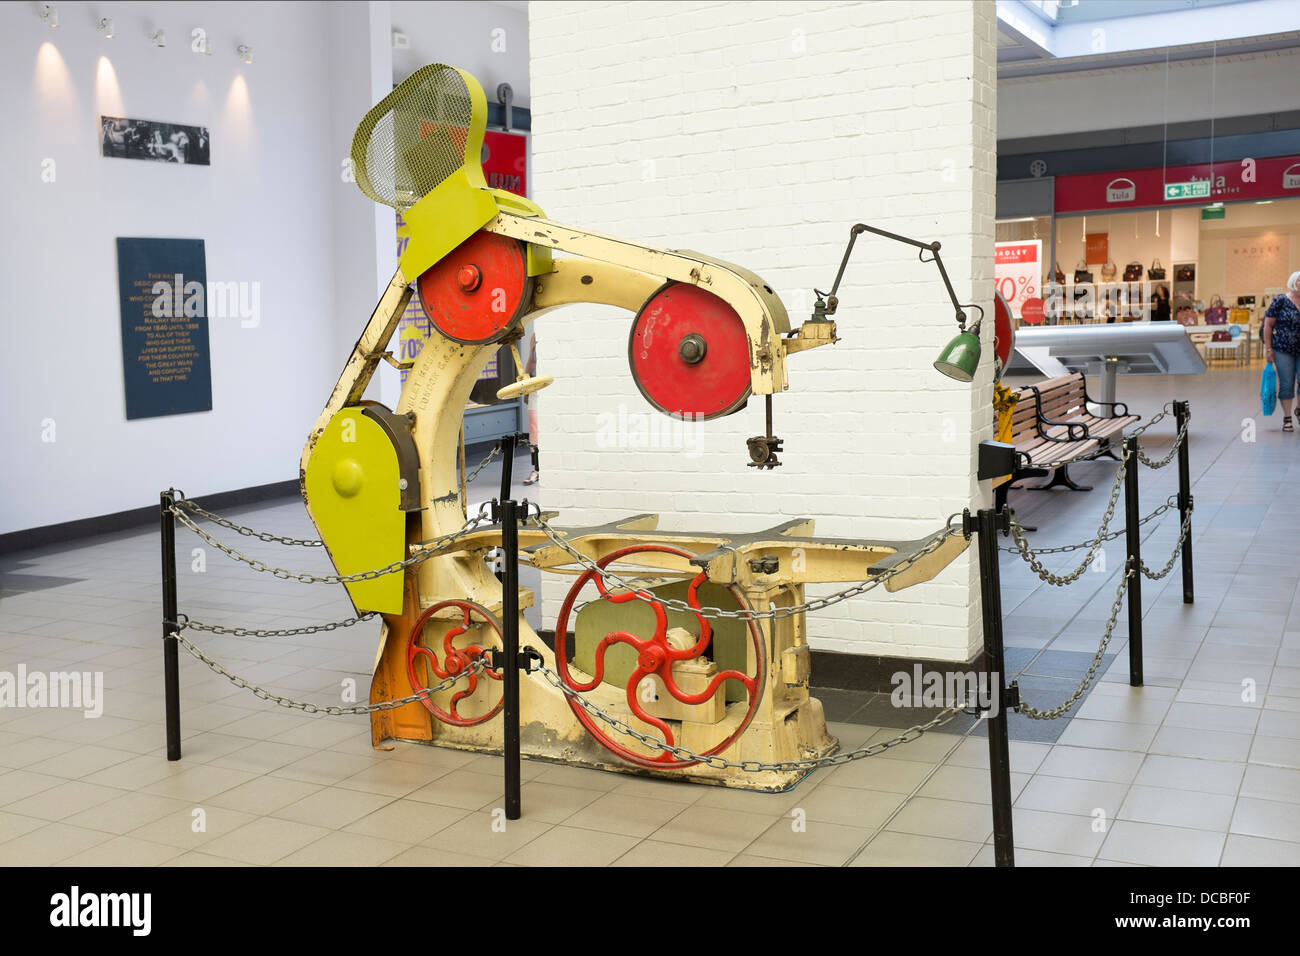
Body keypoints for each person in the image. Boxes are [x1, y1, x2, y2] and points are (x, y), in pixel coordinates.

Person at [1264, 271, 1300, 432]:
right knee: (1286, 384)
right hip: (1283, 349)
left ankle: (1299, 410)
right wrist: (1269, 349)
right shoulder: (1280, 301)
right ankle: (1287, 418)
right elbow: (1268, 326)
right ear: (1293, 282)